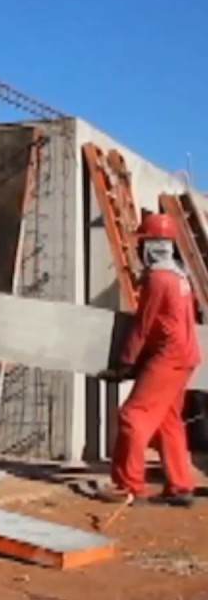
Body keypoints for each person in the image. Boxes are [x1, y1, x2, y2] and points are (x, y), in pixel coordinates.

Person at [97, 212, 202, 507]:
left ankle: (128, 485)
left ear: (153, 246)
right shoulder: (179, 277)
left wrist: (125, 363)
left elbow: (142, 326)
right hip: (185, 356)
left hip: (168, 356)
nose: (139, 249)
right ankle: (180, 486)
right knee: (168, 420)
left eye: (143, 243)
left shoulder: (158, 279)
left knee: (133, 416)